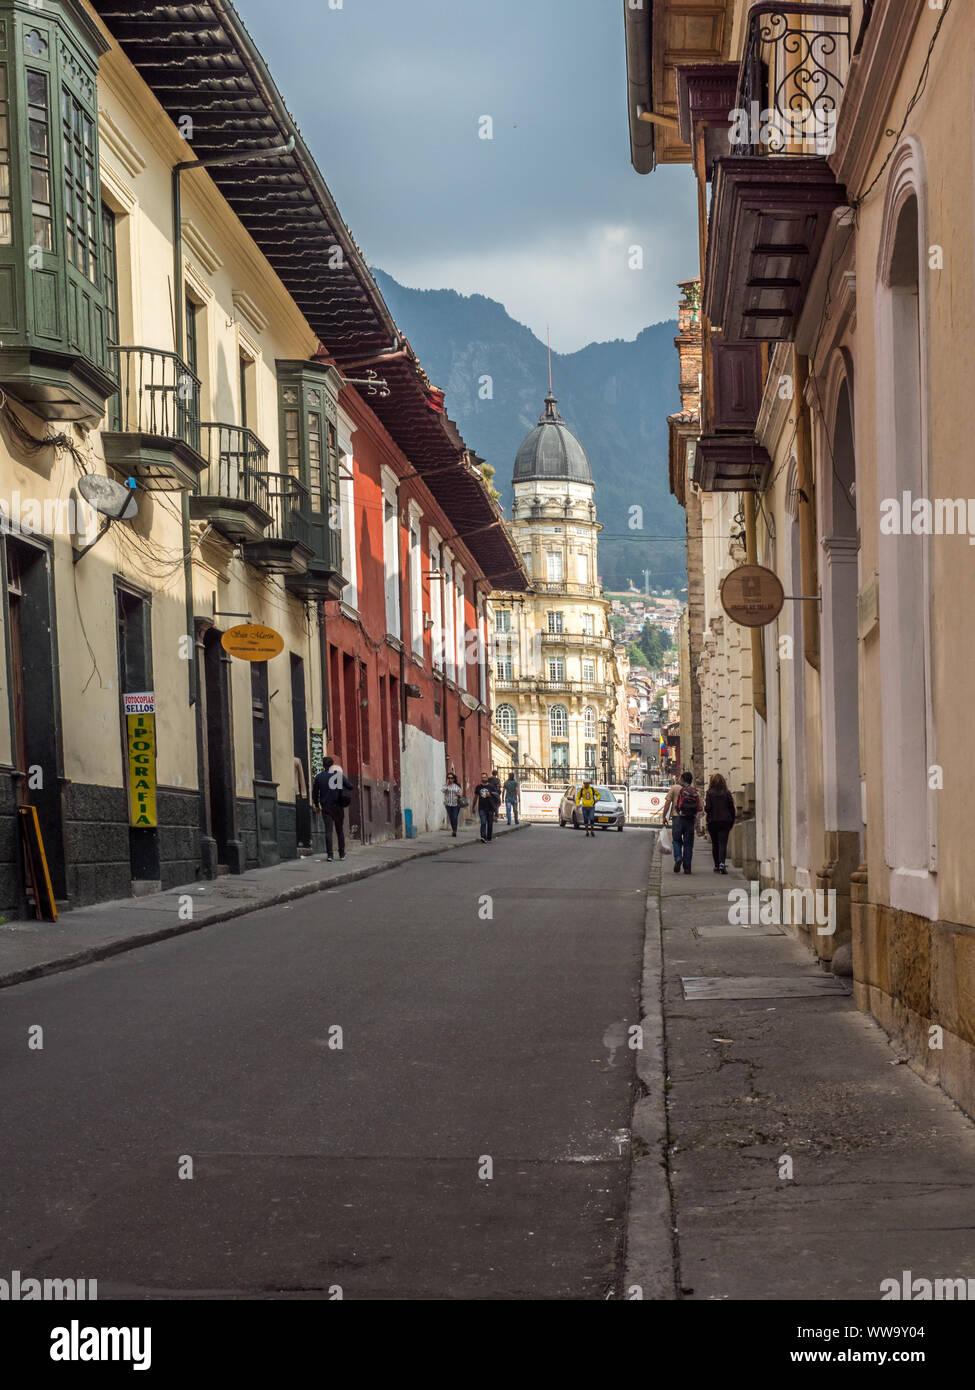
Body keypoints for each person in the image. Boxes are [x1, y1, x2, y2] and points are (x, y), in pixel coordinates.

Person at [312, 755, 353, 862]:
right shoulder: (338, 775)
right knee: (339, 831)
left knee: (328, 831)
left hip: (326, 807)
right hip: (338, 807)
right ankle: (342, 854)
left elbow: (315, 793)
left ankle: (330, 855)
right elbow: (350, 786)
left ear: (323, 765)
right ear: (332, 765)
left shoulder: (319, 777)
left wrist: (317, 806)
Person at [663, 769, 701, 874]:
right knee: (688, 844)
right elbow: (700, 808)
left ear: (682, 779)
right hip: (690, 819)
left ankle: (678, 857)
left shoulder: (675, 788)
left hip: (677, 817)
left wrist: (664, 817)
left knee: (676, 840)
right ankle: (687, 867)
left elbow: (667, 803)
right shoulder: (695, 791)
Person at [705, 773, 736, 874]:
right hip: (725, 821)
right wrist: (732, 820)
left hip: (713, 822)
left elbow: (708, 808)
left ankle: (717, 865)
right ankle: (722, 864)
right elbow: (732, 808)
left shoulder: (709, 793)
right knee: (723, 843)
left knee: (715, 844)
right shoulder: (727, 793)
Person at [473, 770, 501, 842]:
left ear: (487, 778)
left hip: (490, 807)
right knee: (483, 822)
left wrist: (490, 794)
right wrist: (473, 806)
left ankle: (489, 837)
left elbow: (497, 795)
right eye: (482, 778)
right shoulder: (478, 787)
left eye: (485, 777)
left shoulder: (491, 787)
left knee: (490, 823)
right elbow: (475, 797)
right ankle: (483, 837)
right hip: (481, 807)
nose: (483, 779)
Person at [442, 771, 463, 837]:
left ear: (453, 779)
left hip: (456, 804)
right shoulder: (446, 786)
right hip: (448, 804)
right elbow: (443, 790)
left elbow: (461, 793)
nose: (450, 779)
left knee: (454, 817)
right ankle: (453, 829)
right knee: (451, 818)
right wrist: (447, 784)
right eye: (449, 778)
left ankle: (455, 831)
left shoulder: (457, 786)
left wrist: (459, 794)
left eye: (451, 778)